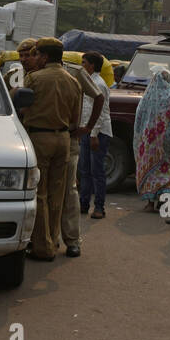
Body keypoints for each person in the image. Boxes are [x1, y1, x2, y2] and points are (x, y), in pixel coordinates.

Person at [20, 37, 81, 262]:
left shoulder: (34, 78)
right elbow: (75, 118)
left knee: (39, 193)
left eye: (36, 54)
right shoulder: (72, 80)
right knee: (58, 195)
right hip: (63, 138)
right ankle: (53, 241)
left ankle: (42, 247)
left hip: (40, 137)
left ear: (44, 57)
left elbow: (24, 109)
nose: (33, 58)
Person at [61, 53, 103, 257]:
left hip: (71, 137)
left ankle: (72, 239)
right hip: (44, 138)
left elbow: (100, 102)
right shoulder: (33, 74)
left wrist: (90, 130)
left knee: (74, 186)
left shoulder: (76, 74)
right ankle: (44, 241)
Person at [134, 67, 170, 212]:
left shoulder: (147, 95)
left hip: (150, 138)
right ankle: (165, 206)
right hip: (168, 135)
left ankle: (150, 204)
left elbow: (139, 118)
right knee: (166, 167)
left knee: (151, 166)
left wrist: (139, 136)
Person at [78, 52, 112, 220]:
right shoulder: (88, 82)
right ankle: (83, 203)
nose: (82, 65)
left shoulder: (98, 83)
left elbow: (100, 112)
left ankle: (99, 207)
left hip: (98, 132)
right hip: (87, 130)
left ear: (91, 66)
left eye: (84, 63)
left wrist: (94, 134)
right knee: (84, 170)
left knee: (97, 171)